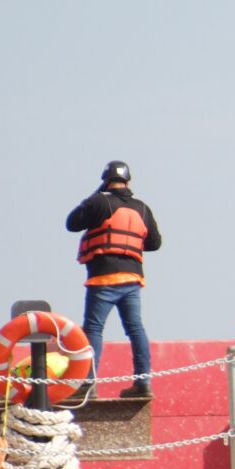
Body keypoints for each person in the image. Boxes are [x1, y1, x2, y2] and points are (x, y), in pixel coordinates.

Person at [65, 161, 162, 399]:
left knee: (94, 329)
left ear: (106, 181)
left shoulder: (100, 202)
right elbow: (154, 243)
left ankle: (89, 383)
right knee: (135, 328)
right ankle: (143, 382)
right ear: (128, 182)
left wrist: (96, 193)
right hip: (132, 279)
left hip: (103, 279)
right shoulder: (142, 208)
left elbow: (72, 223)